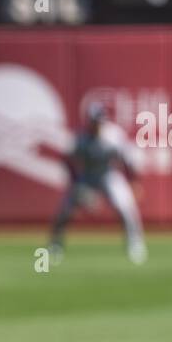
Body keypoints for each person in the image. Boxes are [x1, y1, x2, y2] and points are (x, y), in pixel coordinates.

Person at [48, 104, 147, 265]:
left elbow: (127, 160)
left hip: (108, 174)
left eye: (100, 122)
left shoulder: (114, 136)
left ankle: (135, 244)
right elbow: (68, 160)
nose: (98, 125)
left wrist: (133, 181)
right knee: (65, 211)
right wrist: (76, 186)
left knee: (125, 207)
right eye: (95, 122)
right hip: (87, 176)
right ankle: (55, 246)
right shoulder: (81, 138)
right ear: (89, 122)